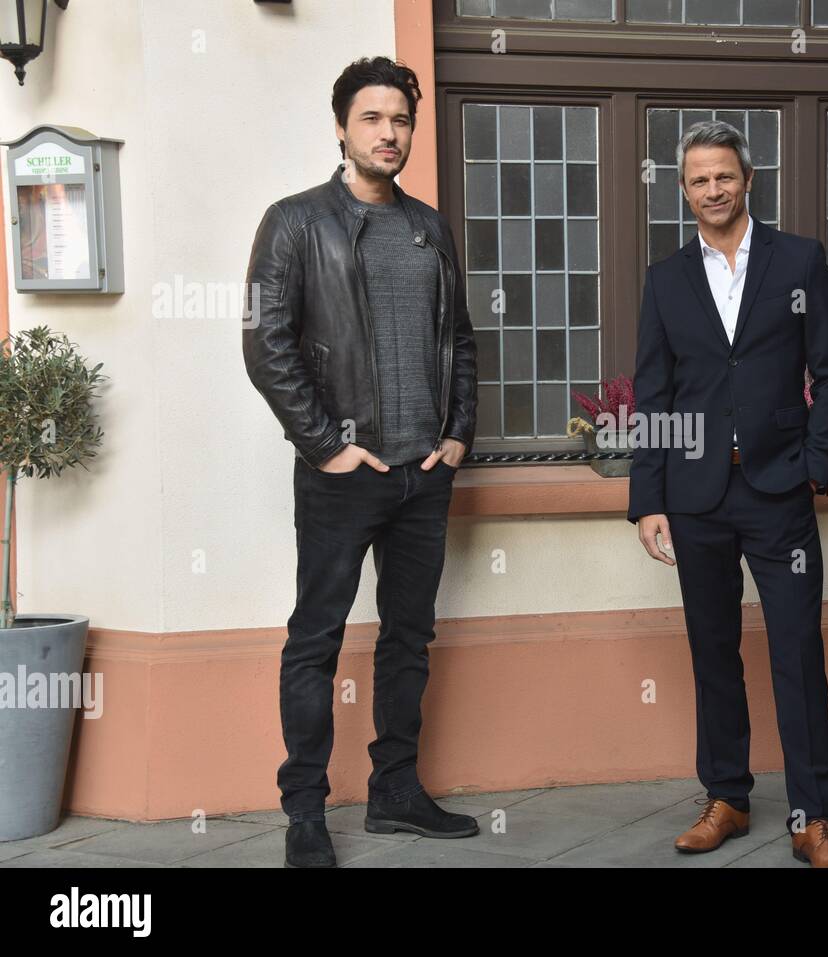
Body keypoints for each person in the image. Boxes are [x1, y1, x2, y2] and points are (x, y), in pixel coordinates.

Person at [242, 56, 478, 868]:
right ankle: (305, 811)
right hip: (344, 478)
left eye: (402, 120)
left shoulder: (429, 226)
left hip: (425, 475)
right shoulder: (295, 222)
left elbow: (462, 342)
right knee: (315, 639)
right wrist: (330, 448)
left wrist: (457, 435)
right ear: (341, 126)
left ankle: (396, 792)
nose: (390, 133)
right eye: (373, 119)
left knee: (409, 637)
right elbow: (265, 346)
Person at [627, 120, 828, 867]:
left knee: (796, 650)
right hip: (694, 496)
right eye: (698, 180)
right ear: (683, 190)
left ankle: (813, 815)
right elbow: (654, 396)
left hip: (779, 489)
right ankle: (726, 794)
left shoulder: (799, 260)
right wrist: (648, 498)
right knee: (713, 650)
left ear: (748, 180)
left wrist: (816, 463)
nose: (713, 190)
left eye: (725, 176)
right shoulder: (665, 280)